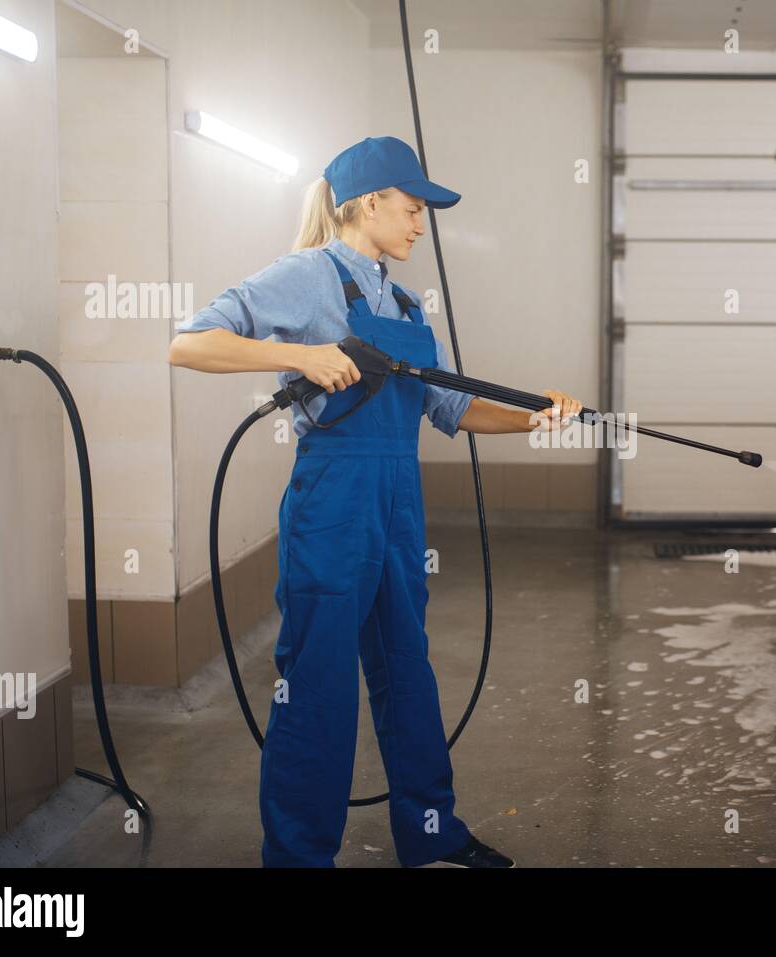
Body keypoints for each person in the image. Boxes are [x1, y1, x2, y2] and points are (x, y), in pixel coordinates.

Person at [168, 135, 582, 867]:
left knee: (407, 672)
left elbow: (453, 409)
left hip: (397, 504)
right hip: (333, 505)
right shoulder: (308, 275)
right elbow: (191, 342)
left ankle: (432, 836)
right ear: (365, 203)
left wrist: (536, 415)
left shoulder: (406, 303)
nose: (422, 222)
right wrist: (299, 355)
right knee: (319, 687)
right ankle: (298, 858)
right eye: (413, 206)